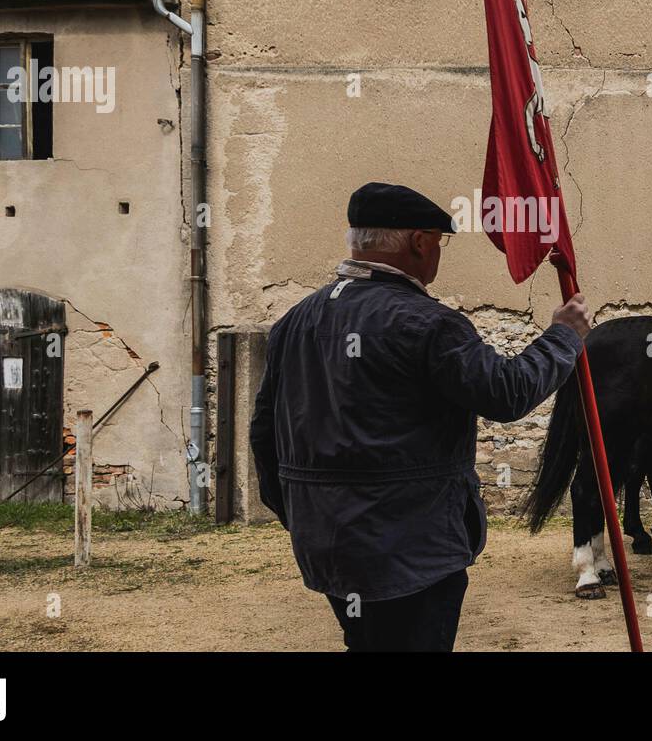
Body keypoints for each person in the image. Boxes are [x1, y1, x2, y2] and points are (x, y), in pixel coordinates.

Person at [250, 181, 592, 651]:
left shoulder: (296, 320)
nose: (438, 253)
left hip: (327, 543)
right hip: (411, 545)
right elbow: (506, 393)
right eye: (438, 241)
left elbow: (263, 431)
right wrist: (563, 337)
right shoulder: (427, 323)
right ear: (419, 242)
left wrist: (298, 513)